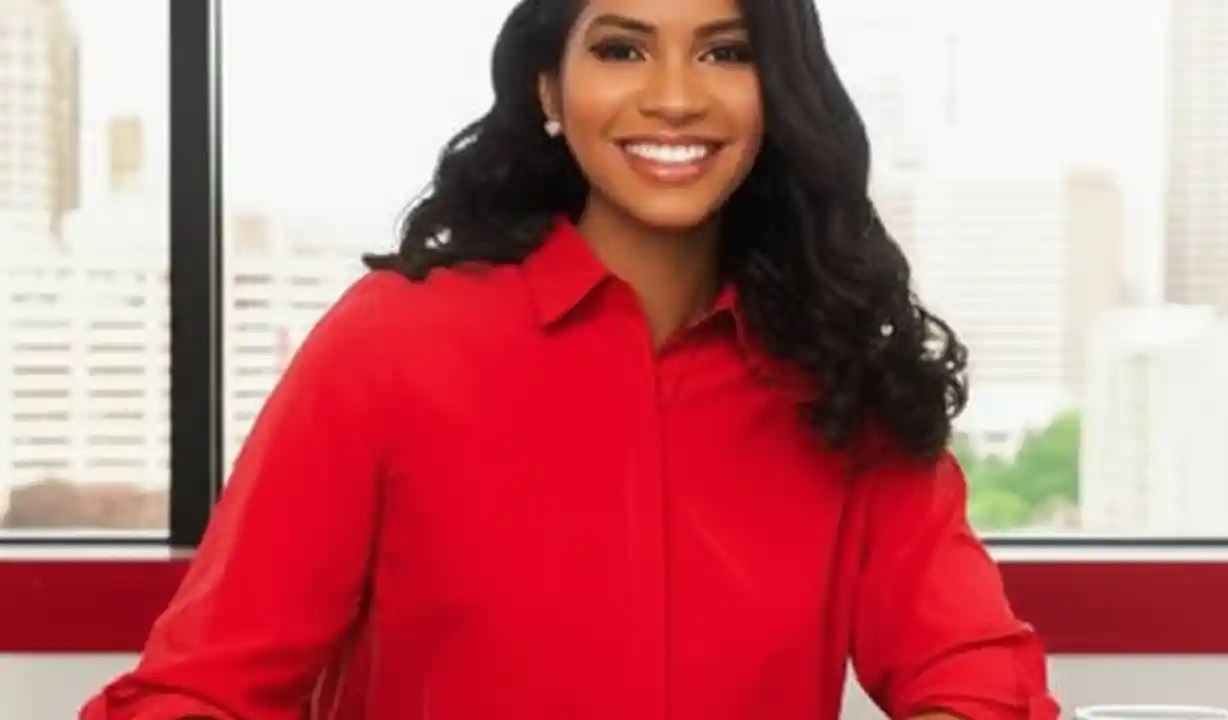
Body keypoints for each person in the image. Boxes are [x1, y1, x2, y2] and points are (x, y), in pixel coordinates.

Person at [83, 0, 1059, 717]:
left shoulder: (840, 366)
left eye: (725, 52)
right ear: (549, 87)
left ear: (777, 93)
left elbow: (973, 677)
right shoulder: (388, 345)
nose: (673, 98)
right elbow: (203, 691)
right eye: (621, 48)